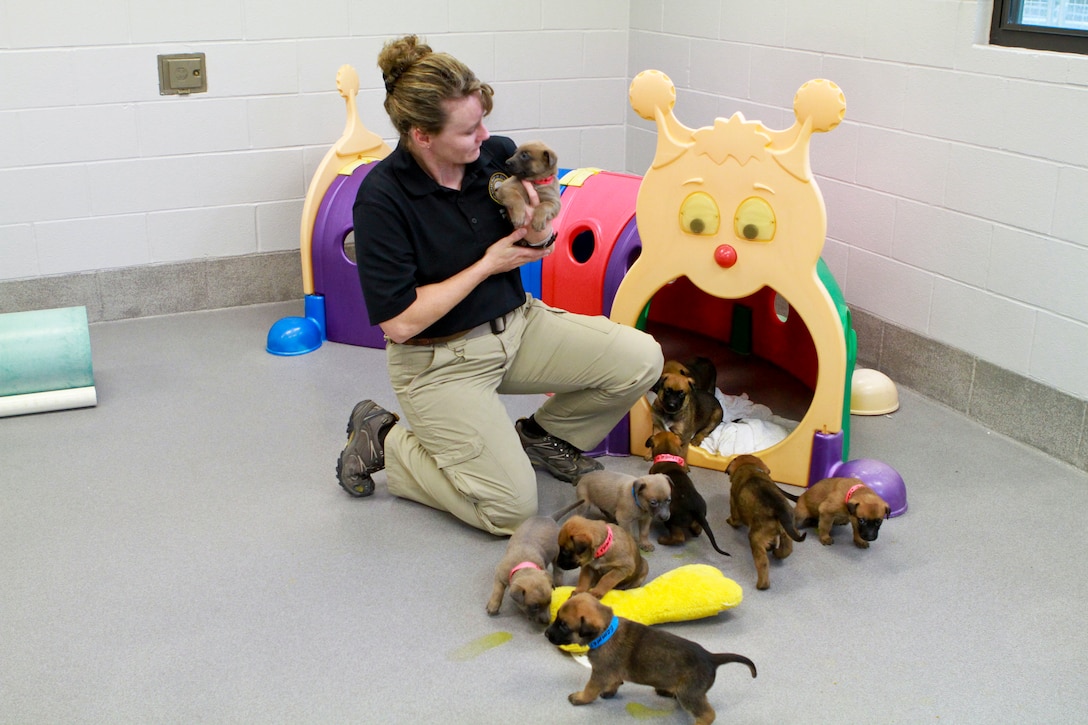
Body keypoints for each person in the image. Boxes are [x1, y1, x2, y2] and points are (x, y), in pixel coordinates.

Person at [336, 35, 663, 536]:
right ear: (422, 134)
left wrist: (541, 223)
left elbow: (541, 235)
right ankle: (388, 439)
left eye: (483, 120)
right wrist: (489, 264)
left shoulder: (498, 158)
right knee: (510, 512)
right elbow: (400, 322)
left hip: (519, 324)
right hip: (438, 362)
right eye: (469, 130)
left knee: (642, 359)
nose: (485, 135)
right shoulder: (382, 200)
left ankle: (543, 437)